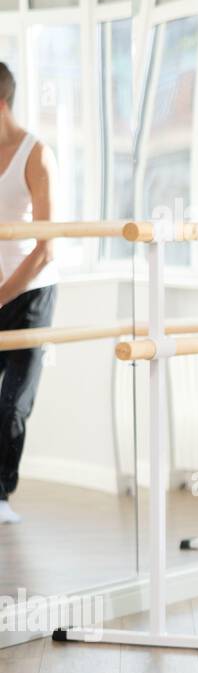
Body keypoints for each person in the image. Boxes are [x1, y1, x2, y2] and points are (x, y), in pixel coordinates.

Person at [0, 62, 59, 526]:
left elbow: (45, 248)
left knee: (14, 399)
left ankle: (1, 494)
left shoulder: (36, 155)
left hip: (31, 291)